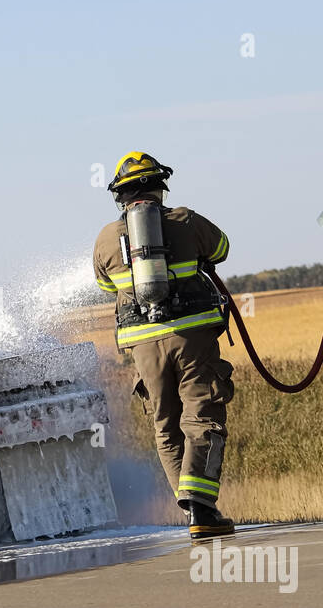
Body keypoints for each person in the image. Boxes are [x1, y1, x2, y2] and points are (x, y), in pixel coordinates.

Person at [92, 151, 235, 540]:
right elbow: (222, 249)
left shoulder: (106, 237)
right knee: (202, 416)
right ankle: (201, 507)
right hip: (191, 338)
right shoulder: (186, 219)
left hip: (142, 347)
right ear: (159, 186)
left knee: (165, 424)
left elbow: (107, 285)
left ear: (120, 196)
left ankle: (190, 504)